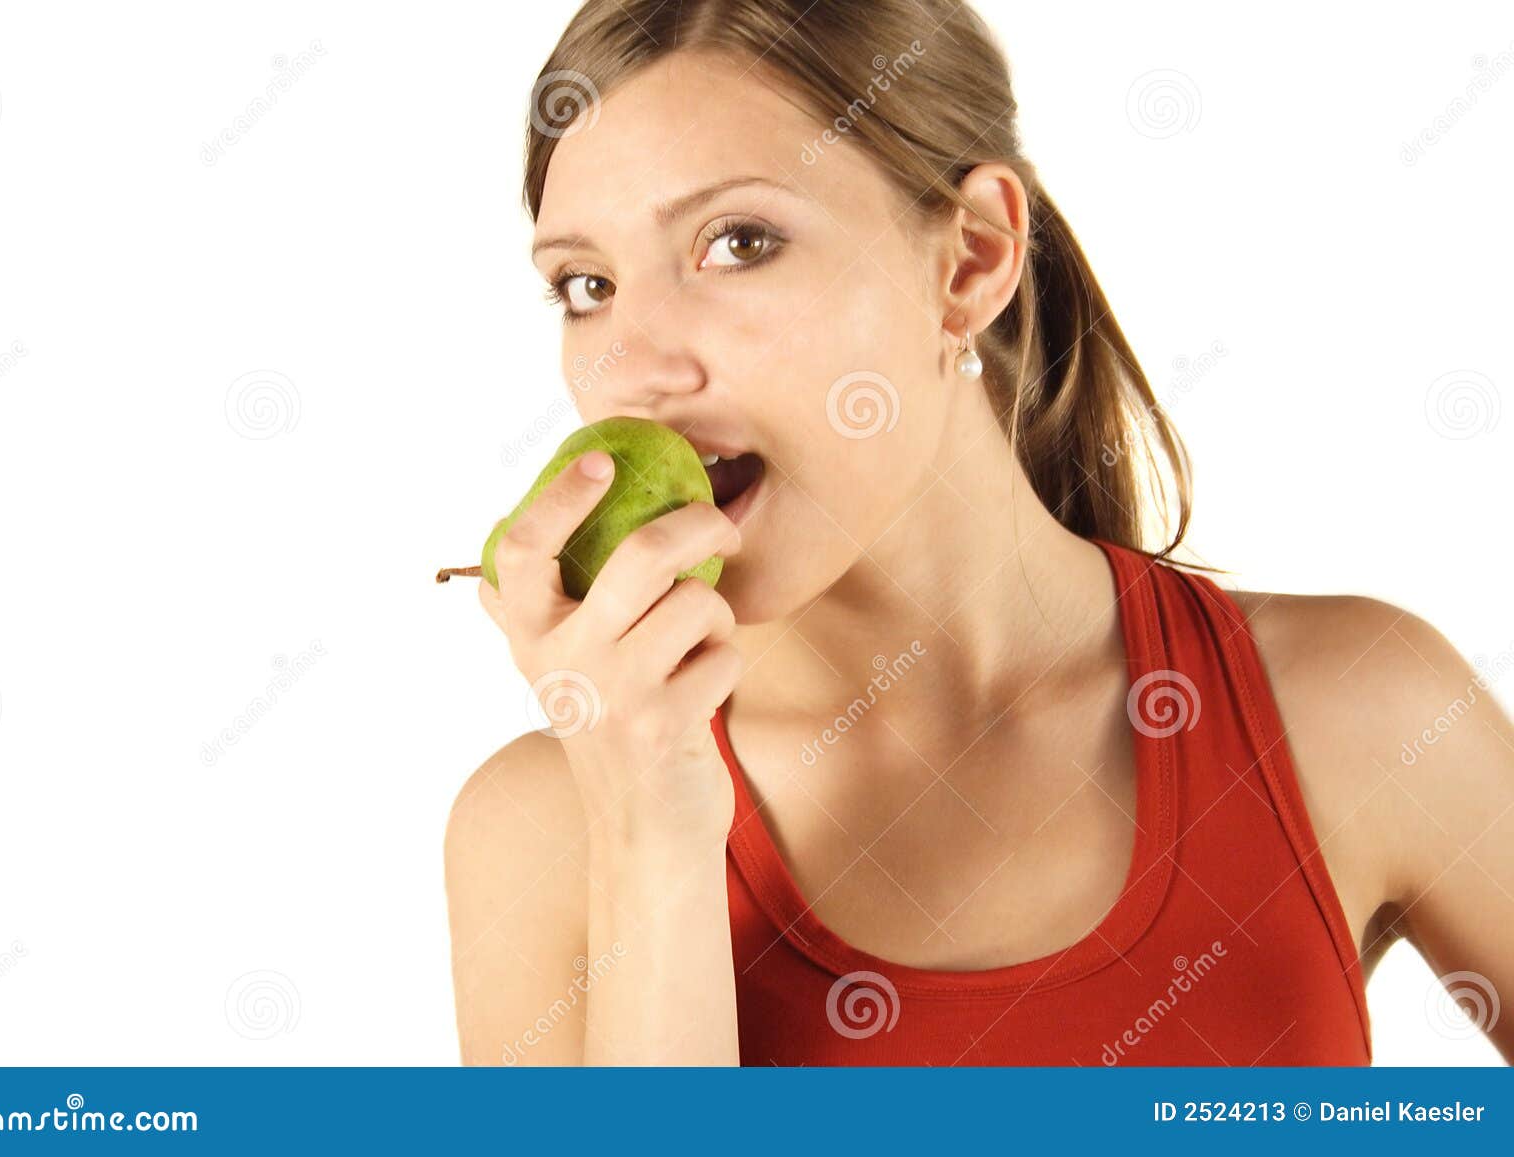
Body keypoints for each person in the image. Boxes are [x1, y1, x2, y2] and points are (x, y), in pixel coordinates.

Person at [444, 0, 1514, 1066]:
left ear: (969, 261)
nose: (631, 369)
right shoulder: (545, 833)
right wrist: (650, 831)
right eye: (586, 286)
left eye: (738, 242)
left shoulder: (1354, 711)